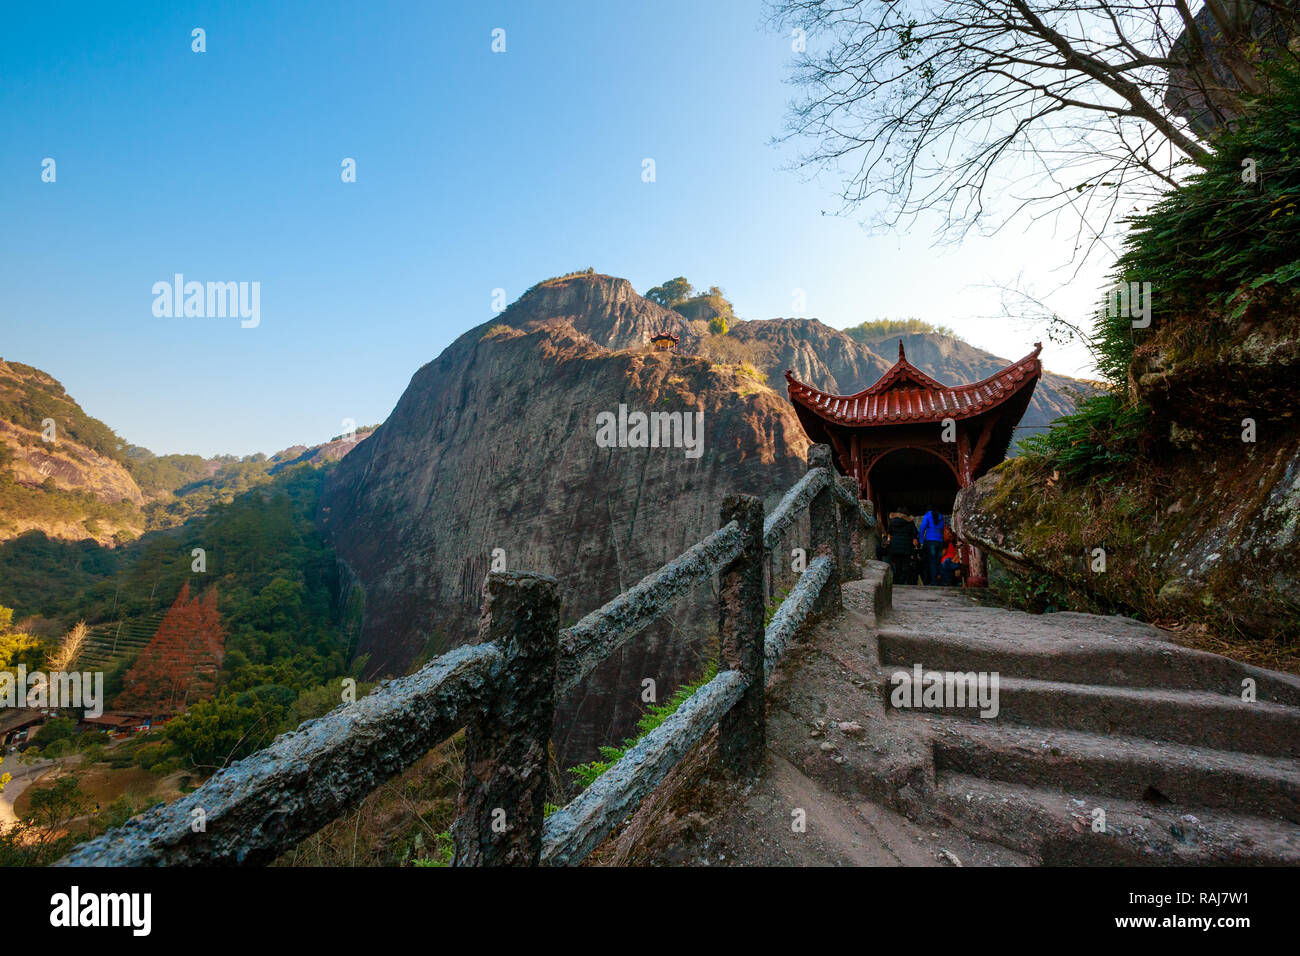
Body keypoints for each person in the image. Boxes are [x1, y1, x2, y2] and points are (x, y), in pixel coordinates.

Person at [886, 510, 920, 585]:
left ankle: (897, 582)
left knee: (897, 566)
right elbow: (914, 533)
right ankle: (905, 582)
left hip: (895, 546)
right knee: (905, 565)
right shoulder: (910, 522)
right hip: (906, 546)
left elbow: (889, 532)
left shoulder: (892, 521)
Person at [918, 508, 947, 585]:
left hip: (930, 541)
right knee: (938, 561)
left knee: (932, 562)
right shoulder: (941, 516)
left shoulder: (927, 515)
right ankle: (940, 580)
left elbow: (922, 528)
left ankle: (933, 581)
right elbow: (943, 528)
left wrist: (921, 541)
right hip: (940, 541)